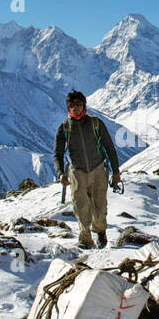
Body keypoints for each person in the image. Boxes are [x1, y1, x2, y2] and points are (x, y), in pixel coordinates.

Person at [52, 90, 121, 249]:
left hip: (98, 170)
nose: (75, 107)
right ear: (67, 108)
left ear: (84, 106)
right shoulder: (64, 128)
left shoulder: (96, 123)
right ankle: (85, 239)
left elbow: (109, 148)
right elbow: (58, 153)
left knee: (100, 205)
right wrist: (60, 173)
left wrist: (116, 172)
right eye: (72, 105)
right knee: (80, 206)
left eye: (78, 104)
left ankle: (100, 230)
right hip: (77, 172)